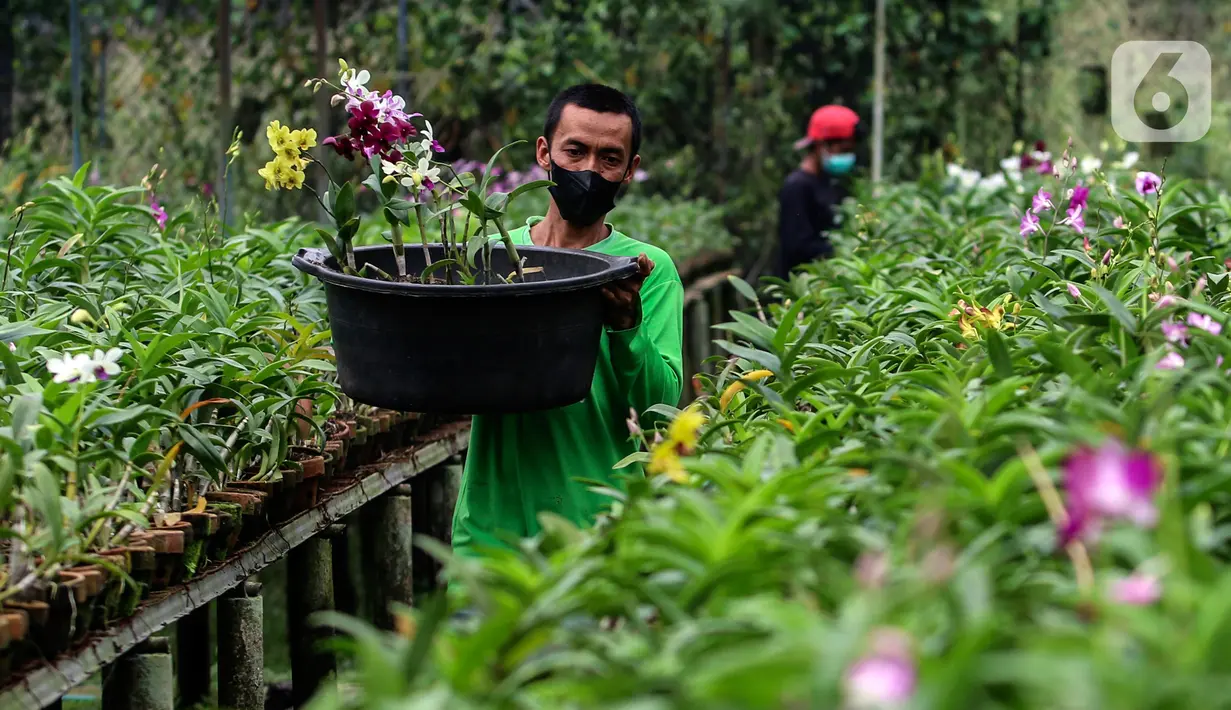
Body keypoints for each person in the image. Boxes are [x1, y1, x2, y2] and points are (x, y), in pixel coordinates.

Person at [451, 84, 684, 557]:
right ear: (544, 152)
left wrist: (627, 329)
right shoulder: (493, 255)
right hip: (491, 534)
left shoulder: (645, 269)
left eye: (610, 159)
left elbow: (659, 409)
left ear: (630, 171)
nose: (590, 171)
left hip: (602, 533)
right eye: (575, 151)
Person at [775, 104, 860, 278]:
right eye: (843, 150)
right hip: (801, 286)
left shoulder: (827, 182)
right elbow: (797, 246)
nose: (847, 156)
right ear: (821, 146)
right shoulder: (797, 186)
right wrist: (842, 250)